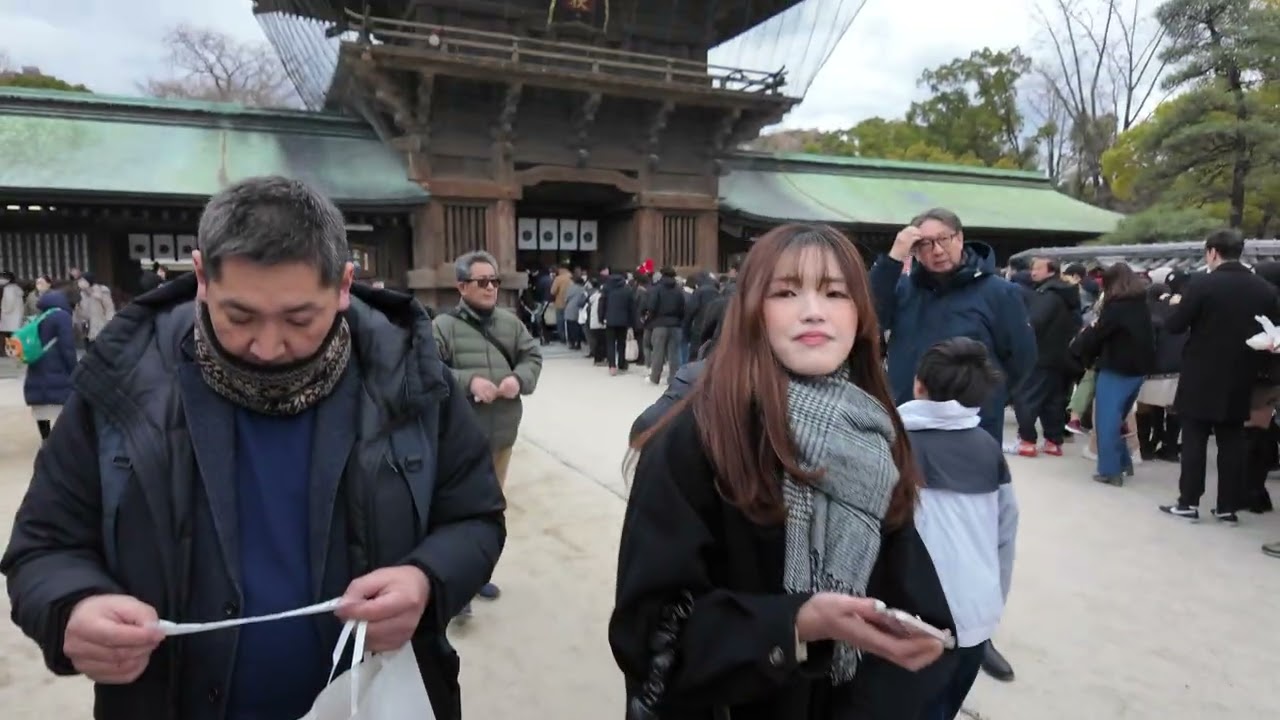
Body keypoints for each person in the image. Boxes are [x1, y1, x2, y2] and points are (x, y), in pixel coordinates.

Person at [0, 176, 506, 720]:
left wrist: (426, 579)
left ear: (342, 284)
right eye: (239, 317)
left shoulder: (410, 378)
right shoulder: (122, 384)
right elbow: (42, 548)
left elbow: (476, 518)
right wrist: (72, 607)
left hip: (377, 701)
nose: (267, 347)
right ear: (200, 277)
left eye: (298, 318)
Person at [612, 224, 950, 719]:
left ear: (860, 315)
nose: (813, 310)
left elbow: (909, 592)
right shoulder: (696, 437)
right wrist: (795, 624)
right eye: (786, 292)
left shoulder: (875, 435)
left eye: (835, 293)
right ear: (752, 309)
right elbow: (647, 633)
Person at [869, 207, 1033, 682]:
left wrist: (988, 399)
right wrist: (891, 258)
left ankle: (976, 633)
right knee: (899, 522)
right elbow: (869, 318)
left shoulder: (998, 292)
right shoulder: (905, 289)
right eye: (923, 244)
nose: (935, 251)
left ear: (962, 239)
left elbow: (1021, 357)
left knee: (975, 536)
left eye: (943, 240)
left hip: (969, 430)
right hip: (907, 423)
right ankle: (894, 618)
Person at [897, 337, 1019, 720]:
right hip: (976, 616)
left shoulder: (891, 442)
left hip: (910, 620)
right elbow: (1006, 533)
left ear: (918, 384)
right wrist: (990, 604)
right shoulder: (987, 448)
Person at [433, 250, 543, 617]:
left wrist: (518, 379)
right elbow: (429, 370)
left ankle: (477, 574)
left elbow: (533, 357)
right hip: (460, 441)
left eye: (494, 281)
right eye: (482, 282)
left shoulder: (511, 324)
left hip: (501, 436)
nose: (491, 288)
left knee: (489, 511)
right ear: (462, 286)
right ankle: (456, 586)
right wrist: (468, 382)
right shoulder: (443, 327)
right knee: (457, 511)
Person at [1159, 230, 1280, 523]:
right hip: (1243, 372)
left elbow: (1175, 325)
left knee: (1195, 438)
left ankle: (1188, 501)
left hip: (1201, 372)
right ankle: (1227, 506)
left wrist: (1171, 305)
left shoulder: (1203, 284)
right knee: (1232, 440)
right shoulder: (1264, 289)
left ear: (1213, 252)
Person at [1072, 263, 1154, 485]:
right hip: (1138, 371)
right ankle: (1123, 462)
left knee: (1106, 421)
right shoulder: (1141, 305)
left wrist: (1079, 346)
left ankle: (1110, 471)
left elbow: (1098, 334)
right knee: (1116, 419)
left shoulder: (1116, 307)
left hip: (1116, 369)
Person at [20, 288, 78, 441]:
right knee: (61, 407)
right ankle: (61, 441)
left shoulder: (41, 316)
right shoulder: (62, 316)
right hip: (56, 366)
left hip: (37, 364)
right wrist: (75, 369)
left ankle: (45, 439)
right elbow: (67, 347)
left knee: (41, 406)